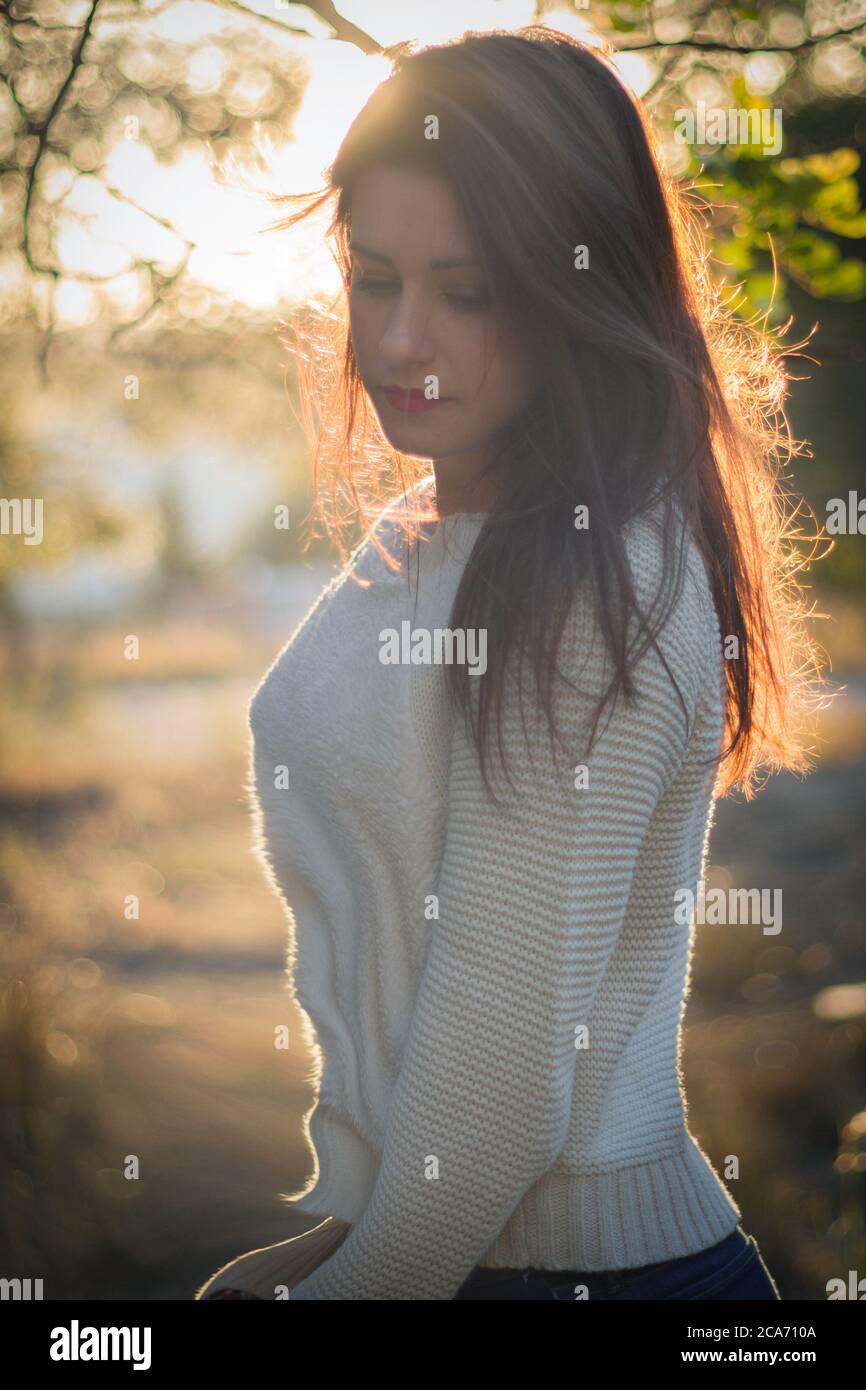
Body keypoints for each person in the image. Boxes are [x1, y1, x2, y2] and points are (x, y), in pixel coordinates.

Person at [201, 26, 828, 1301]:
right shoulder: (434, 531)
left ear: (577, 291)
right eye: (373, 277)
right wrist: (322, 1246)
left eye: (467, 291)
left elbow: (496, 1076)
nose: (397, 339)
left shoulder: (608, 579)